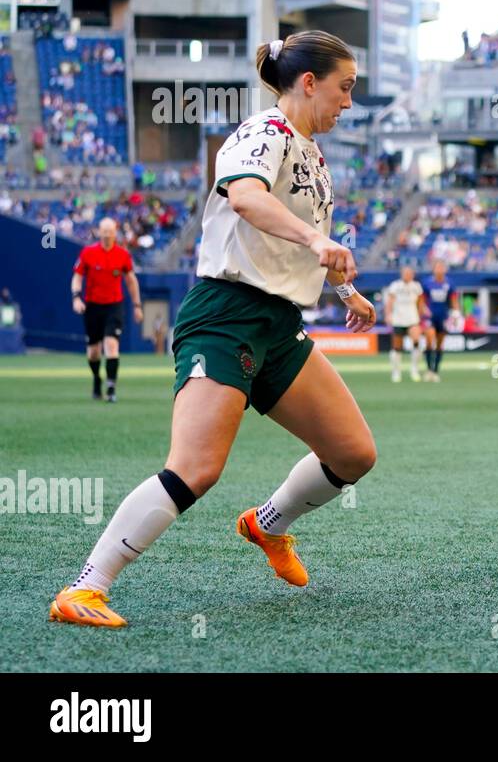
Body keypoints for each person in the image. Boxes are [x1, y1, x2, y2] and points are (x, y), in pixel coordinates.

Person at [49, 31, 378, 628]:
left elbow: (301, 248)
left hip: (279, 324)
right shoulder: (261, 134)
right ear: (309, 82)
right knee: (196, 468)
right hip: (224, 316)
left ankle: (267, 524)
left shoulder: (312, 153)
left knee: (353, 453)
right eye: (345, 88)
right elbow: (248, 199)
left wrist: (346, 289)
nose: (348, 102)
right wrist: (316, 239)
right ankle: (86, 587)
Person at [72, 217, 143, 402]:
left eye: (110, 231)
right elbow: (77, 277)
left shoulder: (122, 255)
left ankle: (111, 387)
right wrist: (76, 298)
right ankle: (97, 379)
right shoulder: (88, 253)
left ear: (115, 232)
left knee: (111, 345)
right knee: (94, 352)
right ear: (99, 232)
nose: (107, 235)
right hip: (93, 306)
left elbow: (131, 281)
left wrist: (137, 305)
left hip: (114, 305)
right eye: (104, 231)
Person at [383, 265, 427, 382]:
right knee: (397, 346)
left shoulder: (416, 286)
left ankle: (414, 369)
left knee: (417, 342)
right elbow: (389, 302)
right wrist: (388, 315)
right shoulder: (395, 286)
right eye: (405, 273)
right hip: (398, 319)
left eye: (409, 273)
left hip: (413, 318)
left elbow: (420, 302)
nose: (407, 275)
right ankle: (396, 371)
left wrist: (421, 314)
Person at [421, 258, 457, 382]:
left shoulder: (449, 283)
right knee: (429, 339)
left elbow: (453, 300)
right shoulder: (427, 283)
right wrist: (423, 310)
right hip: (430, 316)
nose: (440, 270)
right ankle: (429, 369)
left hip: (443, 316)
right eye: (438, 267)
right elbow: (421, 300)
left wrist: (455, 313)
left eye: (442, 267)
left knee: (440, 343)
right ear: (434, 269)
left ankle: (436, 370)